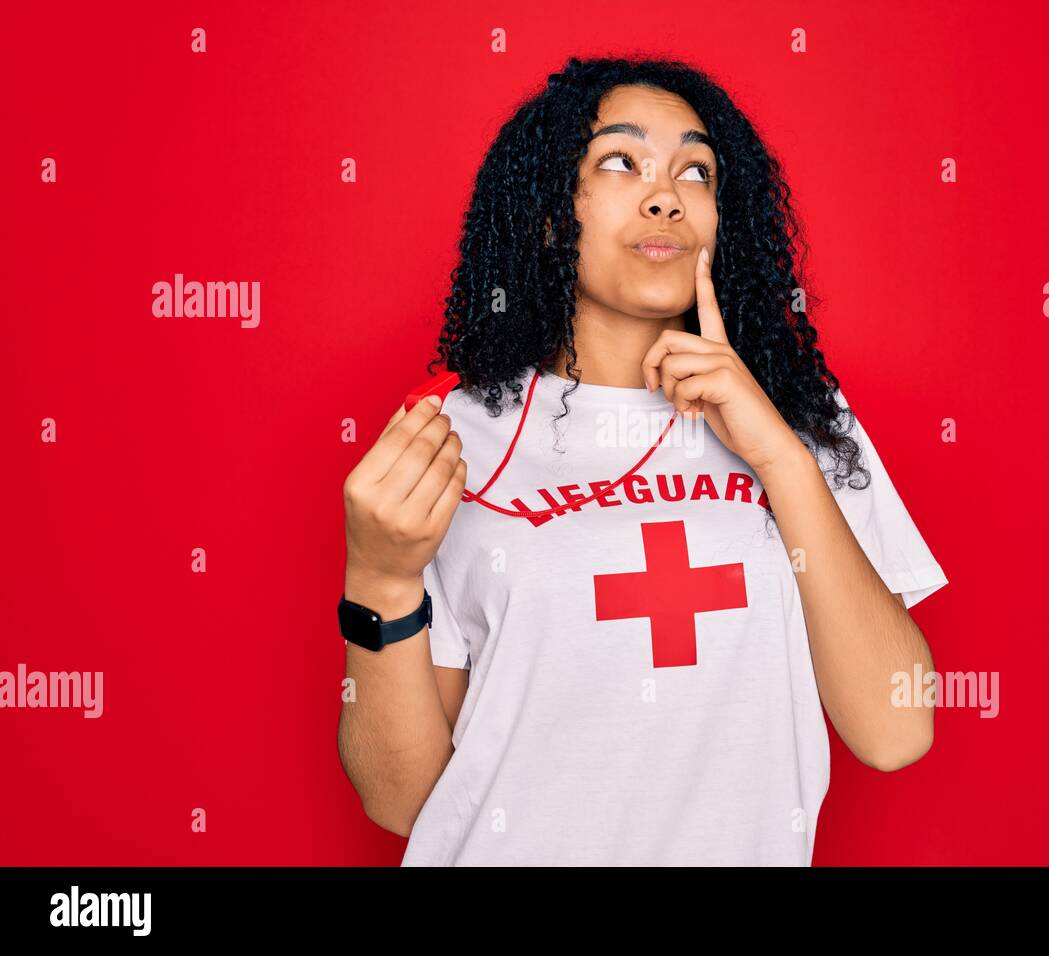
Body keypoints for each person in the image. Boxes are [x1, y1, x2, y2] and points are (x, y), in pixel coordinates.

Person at [337, 56, 948, 866]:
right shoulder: (455, 435)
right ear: (554, 212)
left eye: (696, 170)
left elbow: (897, 731)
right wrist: (378, 579)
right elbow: (406, 801)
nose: (666, 194)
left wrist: (779, 457)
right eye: (620, 161)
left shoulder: (801, 422)